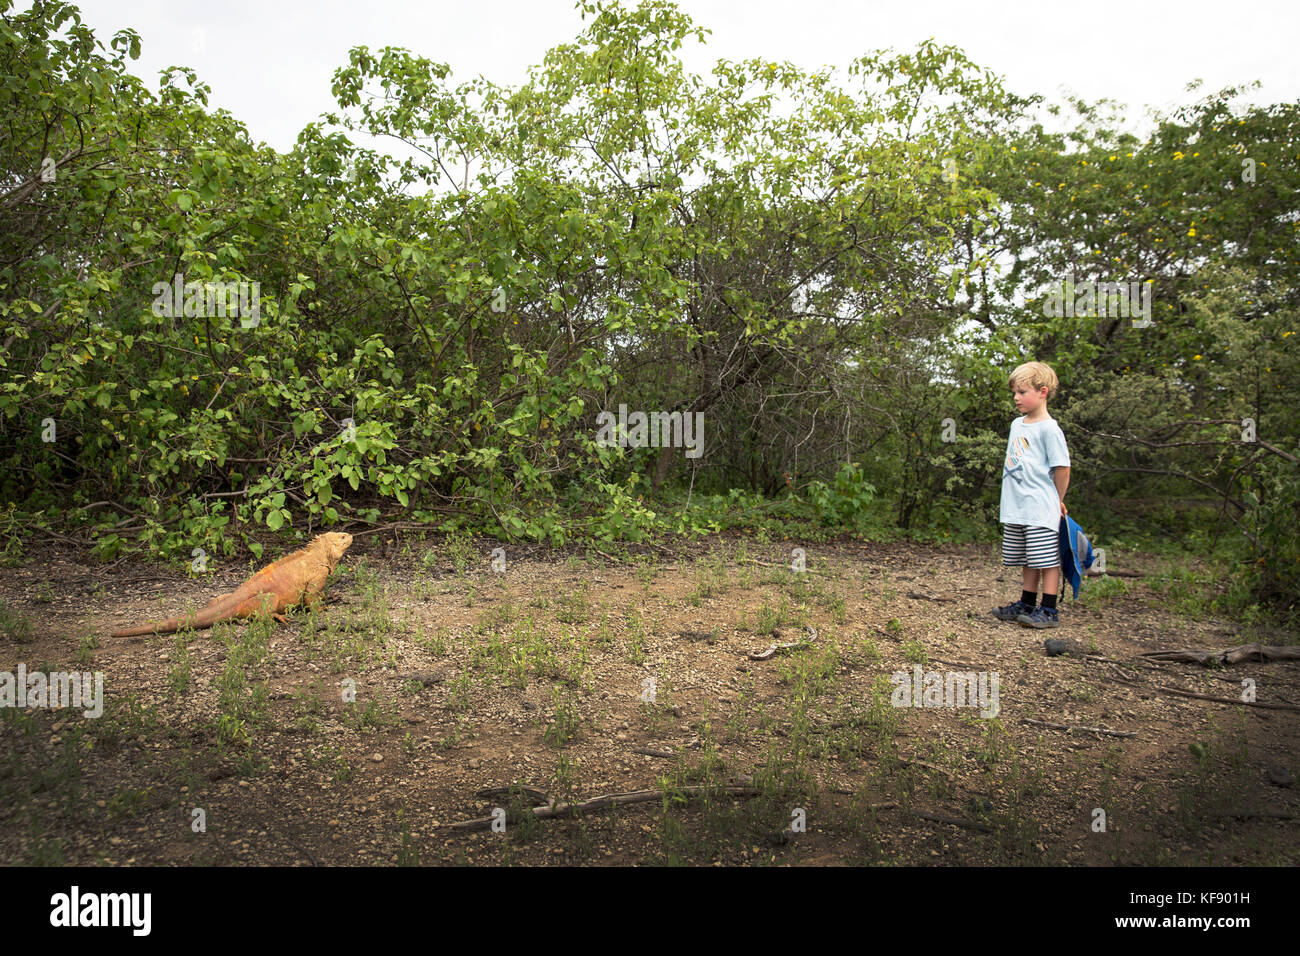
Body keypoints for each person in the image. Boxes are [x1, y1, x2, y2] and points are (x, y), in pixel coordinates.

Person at [992, 361, 1070, 629]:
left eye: (1023, 391)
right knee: (1027, 557)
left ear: (1043, 392)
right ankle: (1026, 602)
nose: (1016, 397)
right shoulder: (1017, 424)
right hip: (1017, 506)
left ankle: (1049, 609)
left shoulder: (1050, 429)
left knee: (1046, 559)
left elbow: (1062, 467)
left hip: (1040, 506)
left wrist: (1057, 500)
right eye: (1014, 392)